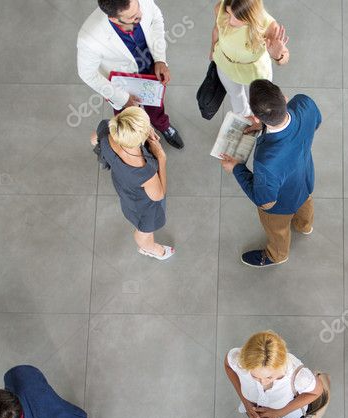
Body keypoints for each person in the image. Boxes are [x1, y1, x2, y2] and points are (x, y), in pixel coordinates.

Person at [218, 79, 321, 267]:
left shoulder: (266, 161)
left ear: (256, 117)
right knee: (305, 205)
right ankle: (304, 226)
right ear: (284, 97)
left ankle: (277, 255)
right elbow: (316, 122)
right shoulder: (304, 103)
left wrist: (236, 168)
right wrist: (266, 125)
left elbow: (265, 201)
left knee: (278, 230)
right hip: (305, 180)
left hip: (281, 205)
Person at [77, 0, 185, 149]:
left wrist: (160, 59)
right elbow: (87, 74)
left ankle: (162, 124)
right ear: (114, 19)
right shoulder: (89, 38)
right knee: (128, 117)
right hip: (121, 85)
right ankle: (141, 139)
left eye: (139, 9)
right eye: (134, 17)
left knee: (156, 103)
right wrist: (123, 98)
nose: (141, 15)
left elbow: (156, 18)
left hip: (149, 65)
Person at [92, 106, 174, 260]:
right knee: (144, 231)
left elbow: (93, 139)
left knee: (141, 225)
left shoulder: (106, 129)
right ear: (140, 138)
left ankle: (149, 247)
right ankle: (151, 249)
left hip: (124, 188)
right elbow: (159, 195)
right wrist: (161, 158)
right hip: (143, 207)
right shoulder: (145, 172)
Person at [224, 330, 324, 418]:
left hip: (284, 414)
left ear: (281, 366)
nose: (262, 382)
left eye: (269, 377)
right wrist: (245, 401)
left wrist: (280, 413)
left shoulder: (298, 376)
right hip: (253, 406)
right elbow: (228, 366)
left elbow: (316, 391)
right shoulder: (238, 359)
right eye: (255, 376)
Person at [210, 0, 290, 120]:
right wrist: (213, 50)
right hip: (225, 64)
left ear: (249, 17)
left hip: (254, 73)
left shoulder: (269, 26)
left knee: (257, 103)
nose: (230, 21)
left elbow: (284, 58)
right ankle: (242, 118)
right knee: (235, 96)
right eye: (228, 13)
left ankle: (256, 122)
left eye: (236, 17)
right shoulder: (220, 8)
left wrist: (277, 56)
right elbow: (217, 29)